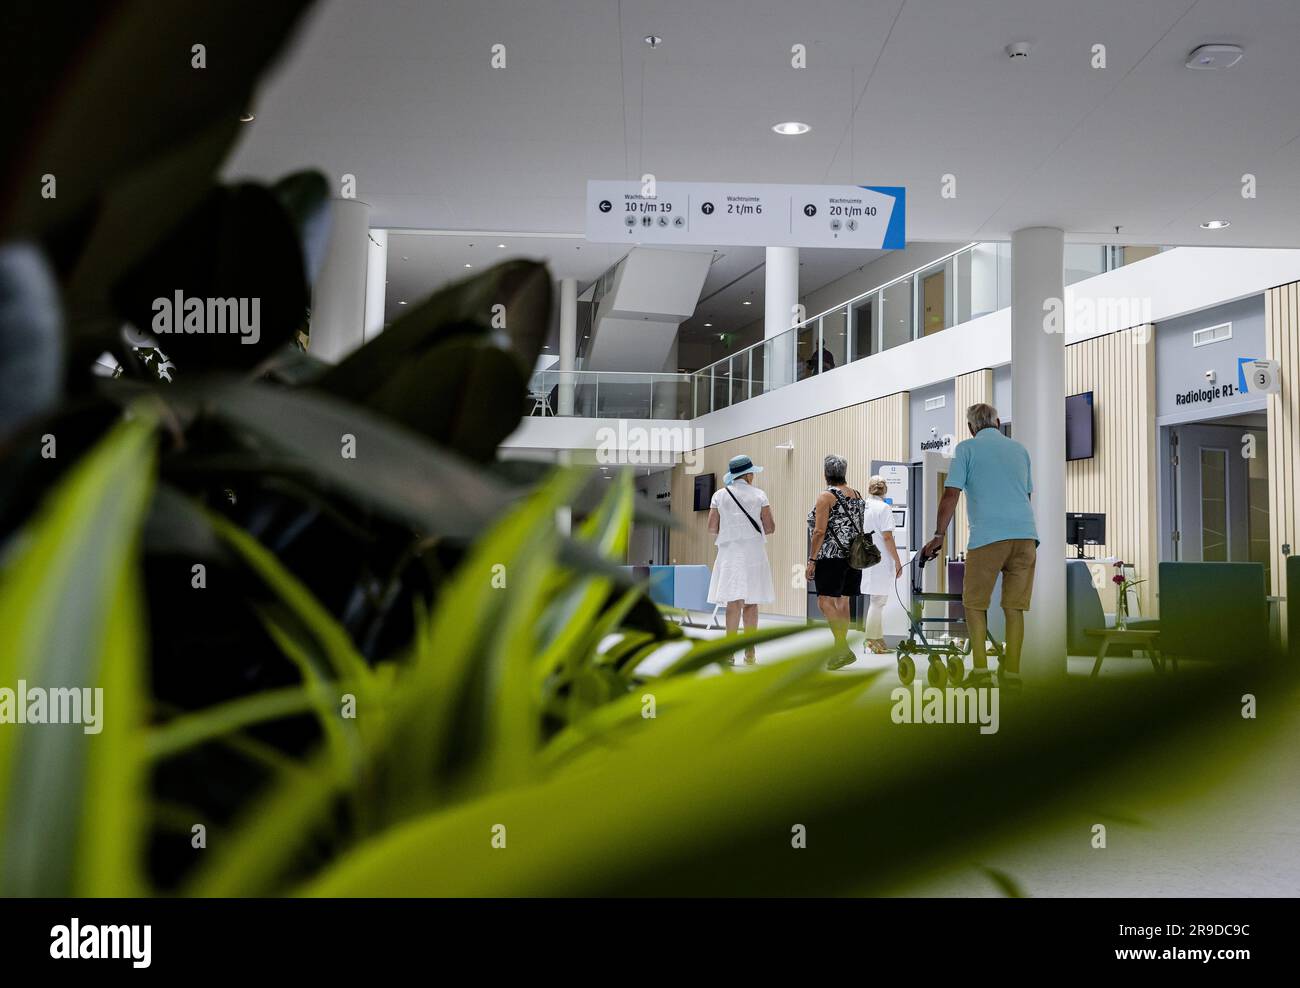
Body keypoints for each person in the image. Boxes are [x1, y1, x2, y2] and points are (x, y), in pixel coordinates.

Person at [923, 403, 1037, 691]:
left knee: (974, 604)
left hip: (988, 537)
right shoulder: (1020, 450)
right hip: (1025, 537)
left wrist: (939, 534)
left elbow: (951, 494)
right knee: (1014, 607)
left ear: (971, 428)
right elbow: (1026, 494)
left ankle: (982, 672)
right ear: (997, 422)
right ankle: (1012, 673)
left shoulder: (967, 449)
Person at [707, 454, 776, 664]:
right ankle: (750, 652)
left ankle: (729, 652)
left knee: (732, 601)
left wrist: (730, 526)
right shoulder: (760, 495)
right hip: (753, 553)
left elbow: (711, 528)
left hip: (729, 553)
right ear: (747, 475)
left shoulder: (719, 495)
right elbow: (770, 527)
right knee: (751, 602)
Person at [806, 454, 867, 669]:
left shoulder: (826, 496)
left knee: (824, 601)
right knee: (843, 601)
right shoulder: (857, 494)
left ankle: (842, 647)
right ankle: (840, 650)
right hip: (853, 556)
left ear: (825, 473)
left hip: (831, 556)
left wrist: (812, 559)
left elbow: (819, 531)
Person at [861, 475, 904, 654]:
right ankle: (871, 640)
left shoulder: (863, 506)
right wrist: (897, 561)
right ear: (884, 489)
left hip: (867, 557)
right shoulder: (884, 508)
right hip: (880, 559)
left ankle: (877, 640)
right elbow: (887, 537)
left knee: (877, 601)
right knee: (878, 601)